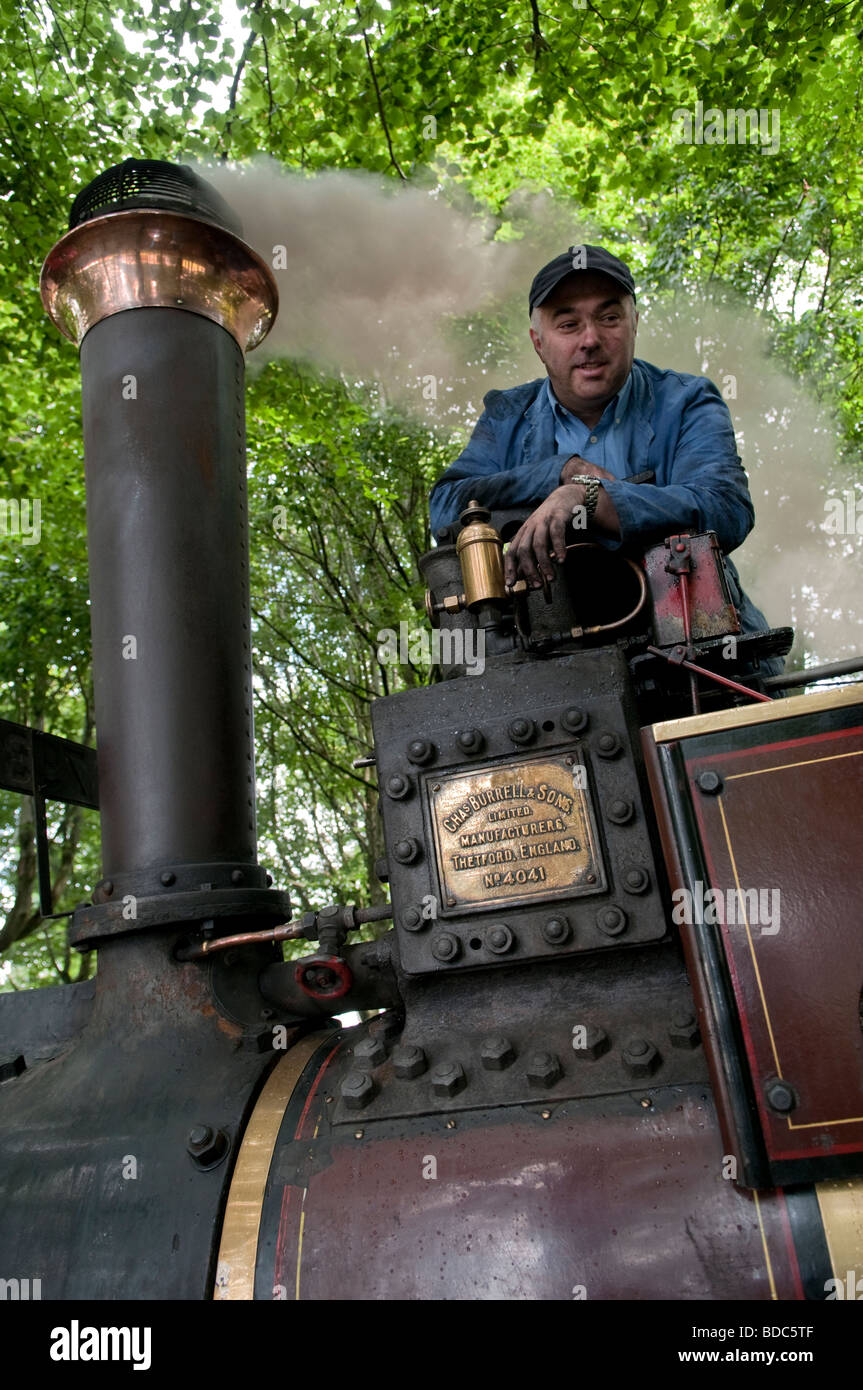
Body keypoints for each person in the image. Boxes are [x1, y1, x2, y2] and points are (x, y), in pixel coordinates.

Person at [429, 244, 778, 657]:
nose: (590, 339)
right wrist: (558, 472)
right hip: (554, 664)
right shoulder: (506, 415)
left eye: (608, 318)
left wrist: (587, 497)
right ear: (538, 342)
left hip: (702, 653)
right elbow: (446, 507)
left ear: (634, 323)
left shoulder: (687, 401)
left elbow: (726, 508)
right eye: (568, 324)